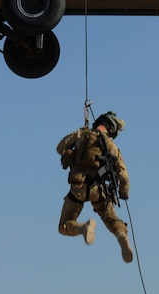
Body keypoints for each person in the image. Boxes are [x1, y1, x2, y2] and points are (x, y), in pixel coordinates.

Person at [56, 112, 133, 263]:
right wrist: (124, 193)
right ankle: (121, 234)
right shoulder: (110, 145)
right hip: (98, 190)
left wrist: (78, 135)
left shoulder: (80, 135)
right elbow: (123, 175)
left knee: (64, 225)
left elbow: (60, 148)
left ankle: (83, 228)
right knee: (111, 219)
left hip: (77, 188)